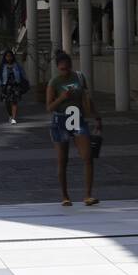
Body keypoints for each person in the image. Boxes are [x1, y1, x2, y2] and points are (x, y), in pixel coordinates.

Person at [46, 50, 100, 207]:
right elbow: (49, 107)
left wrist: (96, 116)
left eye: (68, 68)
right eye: (62, 69)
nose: (65, 71)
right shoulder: (54, 82)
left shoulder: (78, 77)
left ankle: (88, 195)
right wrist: (62, 98)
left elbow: (86, 98)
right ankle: (65, 196)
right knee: (63, 160)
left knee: (87, 156)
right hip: (60, 119)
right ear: (57, 68)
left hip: (76, 117)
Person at [0, 49, 28, 124]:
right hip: (6, 86)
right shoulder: (2, 66)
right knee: (7, 102)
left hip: (15, 85)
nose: (9, 58)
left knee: (14, 101)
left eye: (10, 56)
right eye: (7, 56)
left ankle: (13, 117)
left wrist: (25, 82)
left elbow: (22, 74)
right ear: (5, 57)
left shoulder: (17, 65)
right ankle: (10, 115)